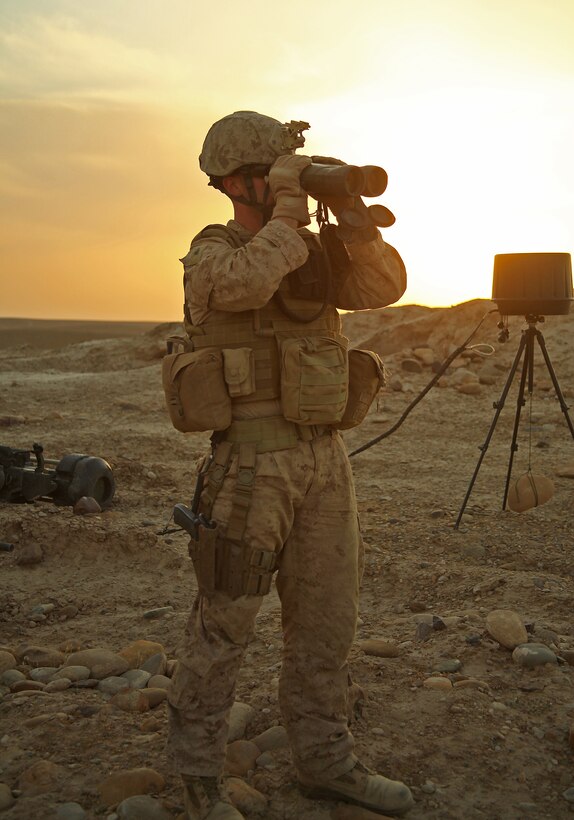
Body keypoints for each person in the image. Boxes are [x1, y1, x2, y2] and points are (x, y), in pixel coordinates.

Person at [166, 110, 413, 820]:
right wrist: (288, 209)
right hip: (249, 466)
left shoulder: (305, 248)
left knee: (326, 623)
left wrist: (352, 219)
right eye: (273, 170)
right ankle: (198, 779)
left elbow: (385, 286)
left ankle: (325, 762)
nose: (288, 180)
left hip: (323, 460)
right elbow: (243, 284)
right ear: (238, 180)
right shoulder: (213, 252)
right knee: (225, 622)